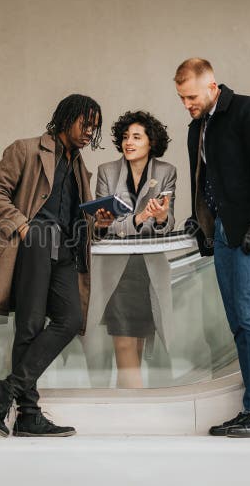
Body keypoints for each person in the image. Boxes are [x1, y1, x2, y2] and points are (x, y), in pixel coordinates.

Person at [174, 58, 250, 437]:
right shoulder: (198, 128)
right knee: (239, 321)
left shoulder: (249, 110)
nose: (186, 104)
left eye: (191, 97)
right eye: (181, 98)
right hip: (224, 231)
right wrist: (200, 221)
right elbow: (204, 179)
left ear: (212, 87)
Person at [0, 94, 101, 438]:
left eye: (94, 127)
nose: (90, 132)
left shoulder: (80, 169)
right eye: (85, 123)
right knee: (29, 326)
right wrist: (23, 227)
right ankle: (29, 415)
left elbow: (83, 222)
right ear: (66, 118)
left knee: (70, 320)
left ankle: (6, 389)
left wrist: (100, 221)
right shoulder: (26, 149)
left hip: (67, 252)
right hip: (34, 245)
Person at [89, 110, 176, 388]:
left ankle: (127, 402)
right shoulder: (107, 171)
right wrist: (140, 219)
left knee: (136, 344)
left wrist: (160, 218)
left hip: (148, 271)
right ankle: (135, 405)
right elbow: (103, 224)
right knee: (124, 344)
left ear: (152, 142)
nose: (129, 142)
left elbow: (166, 224)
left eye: (137, 137)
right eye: (126, 137)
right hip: (115, 271)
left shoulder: (166, 172)